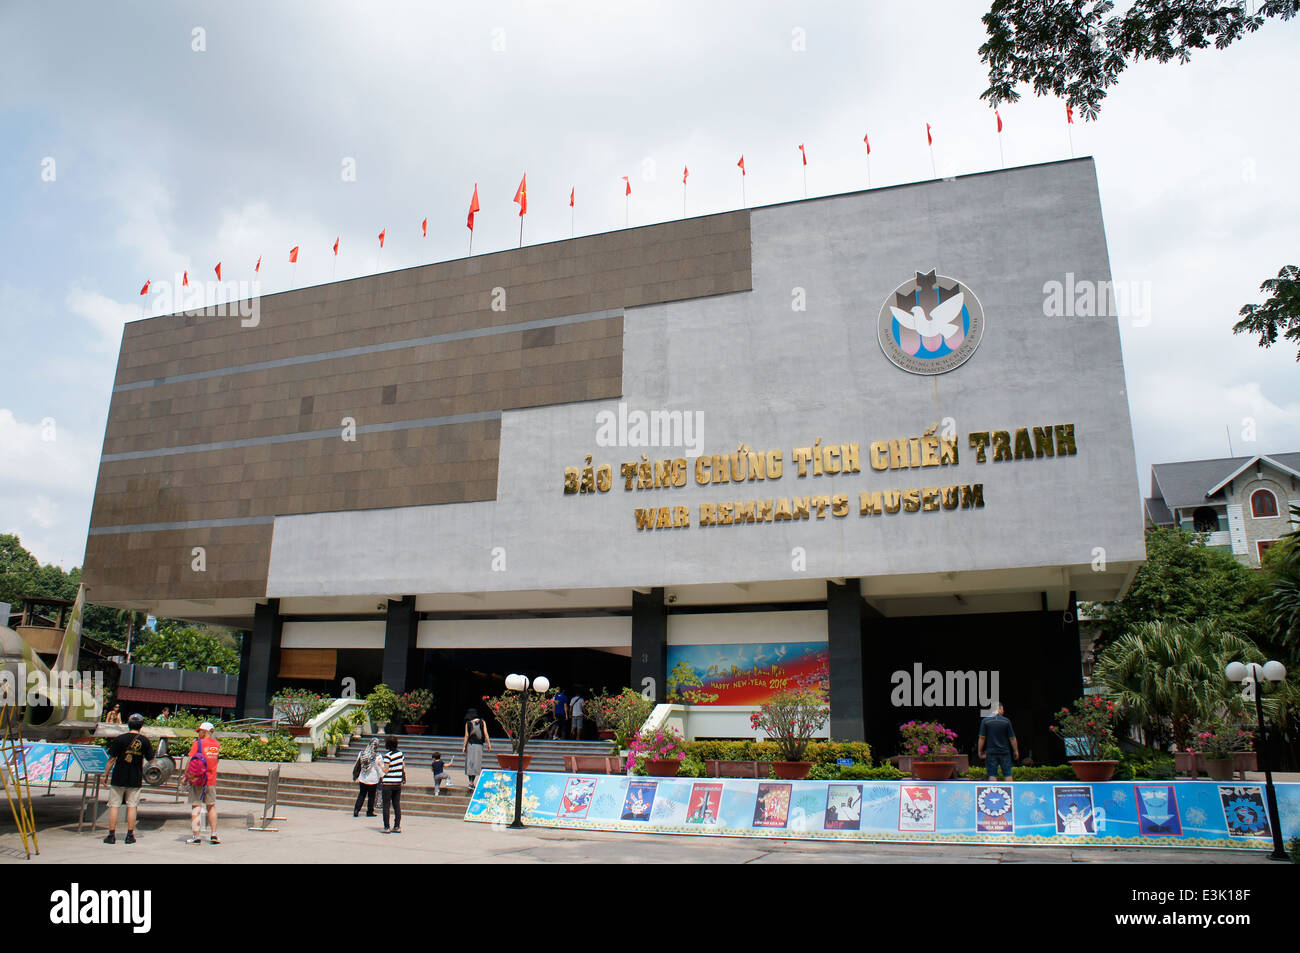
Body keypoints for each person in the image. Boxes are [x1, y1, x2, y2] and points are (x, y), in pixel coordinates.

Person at [102, 713, 153, 844]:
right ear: (141, 726)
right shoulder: (145, 741)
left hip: (119, 776)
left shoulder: (120, 739)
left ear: (128, 724)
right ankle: (130, 835)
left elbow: (112, 759)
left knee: (114, 805)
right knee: (132, 806)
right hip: (135, 777)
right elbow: (151, 759)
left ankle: (111, 835)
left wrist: (105, 774)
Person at [184, 721, 221, 844]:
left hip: (197, 780)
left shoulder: (197, 744)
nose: (198, 733)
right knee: (211, 806)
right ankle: (214, 834)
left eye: (200, 731)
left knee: (196, 807)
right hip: (211, 780)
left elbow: (190, 761)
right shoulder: (217, 745)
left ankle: (196, 836)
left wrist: (185, 777)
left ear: (204, 732)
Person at [978, 702, 1018, 781]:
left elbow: (982, 738)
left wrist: (980, 751)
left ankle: (993, 792)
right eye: (1002, 709)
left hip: (991, 752)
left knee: (992, 774)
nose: (1003, 711)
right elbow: (1012, 738)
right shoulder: (1006, 721)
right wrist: (1015, 751)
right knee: (1008, 774)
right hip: (1005, 752)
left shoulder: (985, 721)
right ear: (999, 709)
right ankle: (1009, 792)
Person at [378, 735, 405, 833]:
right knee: (396, 805)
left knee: (386, 805)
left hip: (388, 783)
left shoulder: (388, 756)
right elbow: (403, 766)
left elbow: (386, 770)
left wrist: (380, 764)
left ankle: (387, 827)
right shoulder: (401, 754)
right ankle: (397, 826)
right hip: (397, 783)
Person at [462, 707, 491, 790]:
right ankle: (472, 782)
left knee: (470, 763)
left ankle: (470, 782)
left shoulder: (468, 724)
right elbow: (485, 733)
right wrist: (489, 743)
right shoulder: (482, 722)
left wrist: (464, 746)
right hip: (479, 745)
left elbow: (466, 736)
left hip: (470, 745)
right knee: (476, 763)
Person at [352, 738, 381, 816]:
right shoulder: (377, 756)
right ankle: (370, 811)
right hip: (373, 778)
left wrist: (356, 774)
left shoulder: (361, 753)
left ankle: (356, 810)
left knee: (361, 794)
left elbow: (357, 764)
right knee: (371, 796)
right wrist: (382, 776)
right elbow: (379, 768)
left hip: (363, 777)